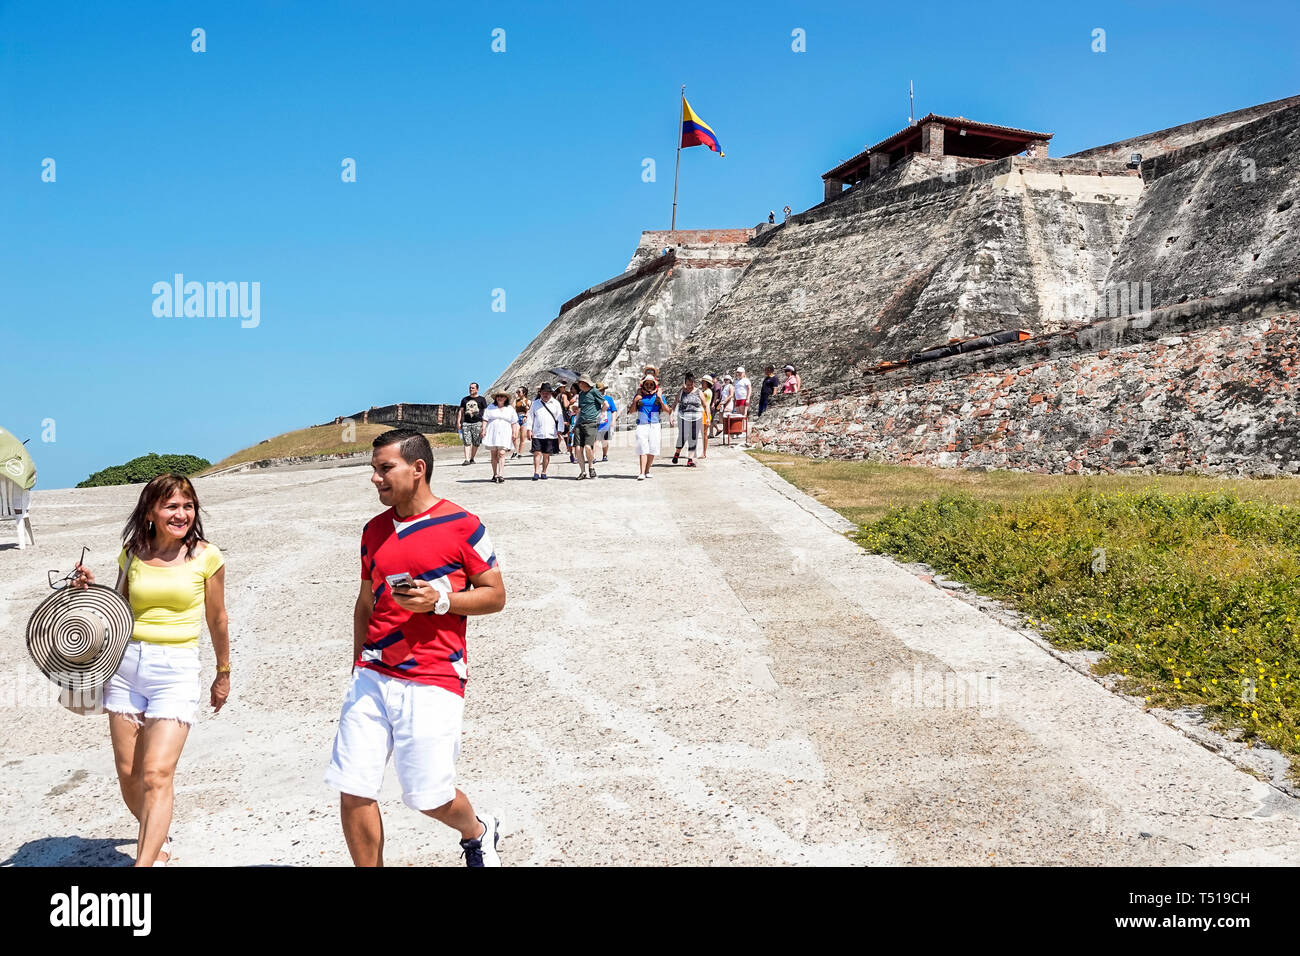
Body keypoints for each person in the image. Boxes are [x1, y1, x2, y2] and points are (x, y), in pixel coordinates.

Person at [325, 429, 506, 867]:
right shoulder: (373, 531)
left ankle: (478, 830)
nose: (375, 478)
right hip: (372, 674)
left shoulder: (464, 525)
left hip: (434, 675)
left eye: (384, 468)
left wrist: (440, 601)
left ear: (418, 469)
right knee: (355, 787)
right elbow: (365, 602)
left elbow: (495, 595)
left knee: (428, 796)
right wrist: (358, 663)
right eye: (374, 469)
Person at [71, 474, 231, 867]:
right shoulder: (132, 553)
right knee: (129, 774)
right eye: (171, 506)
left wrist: (223, 671)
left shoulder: (207, 556)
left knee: (156, 773)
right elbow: (117, 609)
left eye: (188, 506)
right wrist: (87, 590)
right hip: (126, 666)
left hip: (176, 669)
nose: (181, 514)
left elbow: (218, 618)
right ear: (150, 512)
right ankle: (155, 835)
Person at [633, 374, 669, 480]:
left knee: (653, 448)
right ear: (643, 385)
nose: (649, 386)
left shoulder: (658, 396)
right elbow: (631, 411)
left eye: (651, 384)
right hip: (642, 424)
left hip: (654, 424)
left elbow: (667, 410)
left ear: (654, 385)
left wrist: (660, 399)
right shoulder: (639, 396)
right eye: (647, 384)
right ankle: (642, 472)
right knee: (642, 448)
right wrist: (635, 401)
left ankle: (647, 470)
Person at [526, 382, 563, 480]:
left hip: (551, 433)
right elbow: (530, 417)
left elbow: (560, 418)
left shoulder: (556, 404)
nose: (545, 395)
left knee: (546, 454)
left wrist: (560, 430)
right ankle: (536, 472)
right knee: (537, 453)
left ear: (551, 393)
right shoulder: (535, 404)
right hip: (537, 432)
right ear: (540, 393)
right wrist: (529, 429)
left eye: (547, 393)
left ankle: (544, 471)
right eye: (543, 393)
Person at [573, 373, 605, 479]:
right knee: (578, 448)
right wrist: (575, 423)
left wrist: (600, 416)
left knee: (587, 447)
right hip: (580, 423)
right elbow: (580, 410)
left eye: (580, 383)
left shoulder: (594, 391)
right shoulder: (581, 394)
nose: (578, 384)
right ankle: (583, 472)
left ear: (585, 383)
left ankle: (591, 467)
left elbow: (605, 404)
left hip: (591, 422)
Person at [482, 391, 517, 484]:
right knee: (493, 454)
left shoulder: (510, 409)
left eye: (502, 396)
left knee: (501, 453)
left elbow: (514, 422)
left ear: (506, 398)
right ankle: (494, 474)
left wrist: (514, 433)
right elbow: (485, 419)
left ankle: (501, 474)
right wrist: (483, 430)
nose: (500, 398)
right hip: (492, 432)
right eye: (498, 396)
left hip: (505, 432)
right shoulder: (490, 407)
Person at [670, 372, 704, 467]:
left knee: (693, 438)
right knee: (683, 436)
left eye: (691, 384)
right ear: (685, 383)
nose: (689, 386)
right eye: (688, 384)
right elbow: (675, 403)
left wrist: (708, 417)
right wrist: (671, 415)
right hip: (683, 417)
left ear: (694, 383)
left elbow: (705, 405)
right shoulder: (682, 391)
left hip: (696, 417)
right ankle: (677, 453)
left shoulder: (699, 392)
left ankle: (690, 459)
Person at [457, 382, 488, 466]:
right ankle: (466, 459)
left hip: (478, 423)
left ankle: (472, 458)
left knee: (476, 442)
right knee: (467, 442)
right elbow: (461, 411)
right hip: (466, 423)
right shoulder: (464, 399)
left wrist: (485, 423)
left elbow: (486, 411)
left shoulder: (482, 399)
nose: (471, 389)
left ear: (477, 389)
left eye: (473, 388)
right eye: (470, 388)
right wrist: (458, 422)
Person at [597, 382, 617, 461]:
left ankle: (604, 454)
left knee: (604, 440)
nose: (601, 392)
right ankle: (593, 456)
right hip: (596, 421)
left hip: (606, 422)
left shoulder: (609, 399)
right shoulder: (594, 399)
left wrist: (613, 421)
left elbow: (614, 410)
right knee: (595, 440)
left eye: (602, 390)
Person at [734, 366, 753, 443]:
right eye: (738, 373)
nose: (739, 374)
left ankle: (744, 430)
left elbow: (749, 389)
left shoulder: (746, 380)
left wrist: (748, 398)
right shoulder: (737, 381)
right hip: (738, 399)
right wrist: (735, 399)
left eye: (740, 373)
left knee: (743, 415)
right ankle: (739, 430)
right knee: (738, 415)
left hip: (743, 398)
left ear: (743, 373)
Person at [511, 387, 530, 459]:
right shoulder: (516, 401)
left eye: (519, 392)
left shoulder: (528, 401)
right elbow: (512, 408)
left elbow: (529, 410)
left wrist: (526, 416)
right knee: (514, 436)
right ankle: (515, 451)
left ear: (524, 393)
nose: (517, 393)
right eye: (517, 392)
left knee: (522, 438)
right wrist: (515, 398)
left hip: (524, 418)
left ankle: (520, 453)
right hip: (517, 418)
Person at [698, 374, 714, 459]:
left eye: (703, 382)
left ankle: (704, 453)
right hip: (702, 413)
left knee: (704, 434)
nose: (702, 383)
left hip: (704, 413)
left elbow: (699, 397)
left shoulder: (707, 392)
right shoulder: (705, 391)